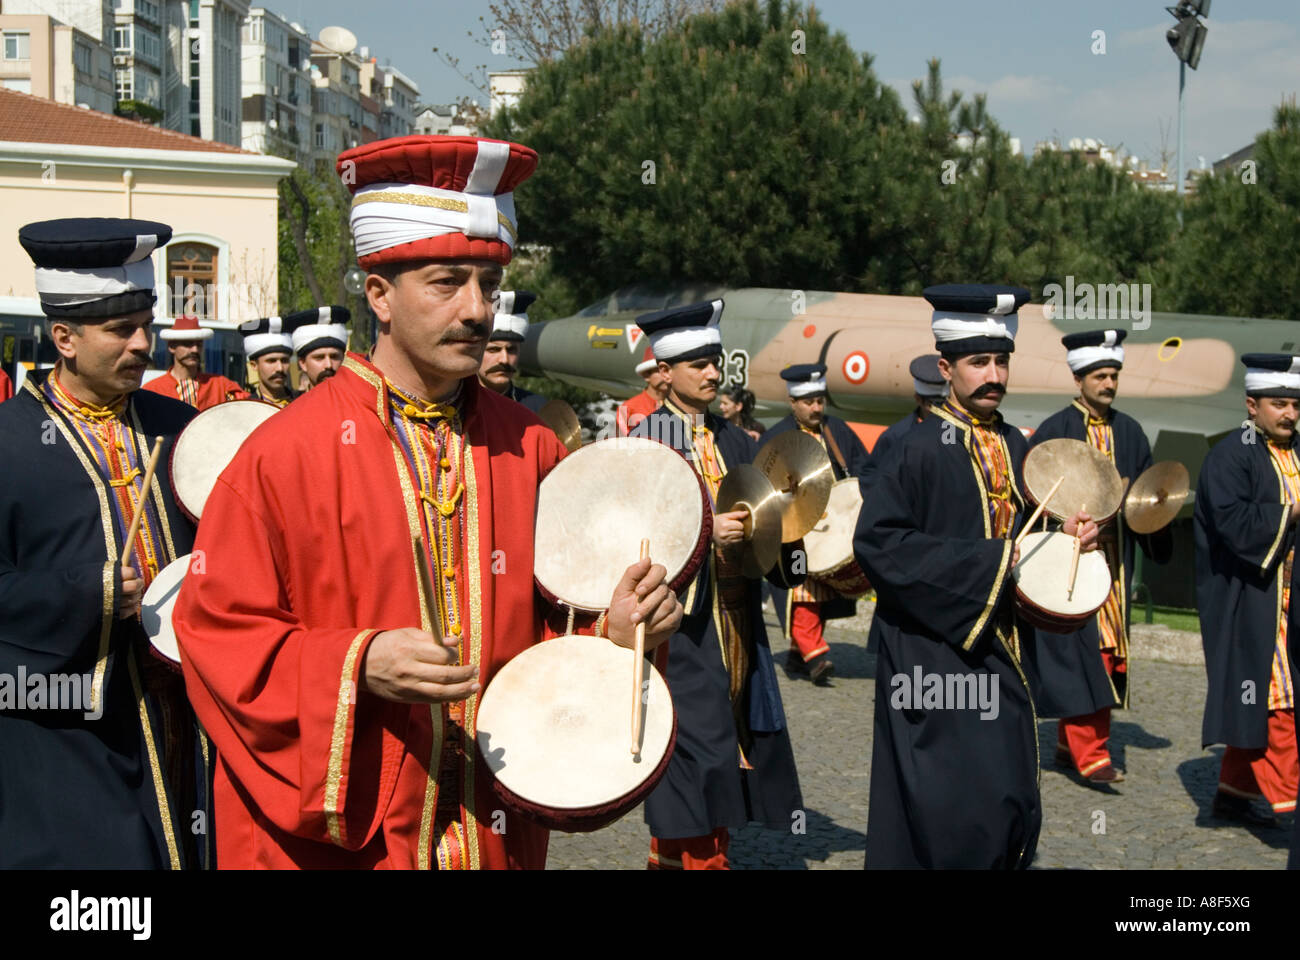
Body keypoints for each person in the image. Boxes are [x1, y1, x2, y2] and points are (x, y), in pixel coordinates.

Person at [173, 134, 681, 870]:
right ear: (379, 293)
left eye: (489, 287)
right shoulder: (282, 454)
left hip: (489, 829)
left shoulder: (531, 446)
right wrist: (356, 661)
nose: (478, 311)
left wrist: (614, 630)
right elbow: (214, 635)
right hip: (346, 844)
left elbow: (553, 635)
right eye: (447, 283)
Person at [852, 283, 1098, 869]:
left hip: (1004, 652)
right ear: (945, 367)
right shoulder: (908, 448)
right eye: (978, 361)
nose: (994, 373)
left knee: (1009, 799)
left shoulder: (1019, 445)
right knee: (948, 812)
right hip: (930, 659)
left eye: (1002, 360)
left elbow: (1035, 540)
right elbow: (880, 547)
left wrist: (1070, 541)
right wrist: (998, 560)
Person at [1, 217, 210, 868]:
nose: (143, 344)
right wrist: (80, 593)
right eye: (122, 330)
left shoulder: (182, 430)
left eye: (146, 325)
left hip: (189, 729)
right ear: (63, 337)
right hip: (65, 739)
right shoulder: (9, 444)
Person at [631, 299, 804, 870]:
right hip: (679, 616)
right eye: (699, 364)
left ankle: (680, 851)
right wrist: (708, 529)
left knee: (734, 731)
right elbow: (638, 526)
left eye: (715, 363)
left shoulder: (733, 437)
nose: (712, 373)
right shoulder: (648, 439)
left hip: (738, 611)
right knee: (696, 737)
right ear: (668, 372)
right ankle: (701, 858)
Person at [1025, 329, 1172, 785]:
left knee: (1108, 653)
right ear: (1078, 378)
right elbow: (1036, 495)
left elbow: (1146, 497)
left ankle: (1074, 743)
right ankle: (1093, 753)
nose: (1108, 384)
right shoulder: (1055, 431)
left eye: (1113, 375)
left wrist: (1148, 506)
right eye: (1100, 376)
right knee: (1081, 652)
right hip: (1071, 559)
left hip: (1114, 563)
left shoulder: (1129, 431)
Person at [1196, 352, 1300, 827]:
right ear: (1251, 405)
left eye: (1296, 405)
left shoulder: (1298, 448)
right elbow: (1234, 524)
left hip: (1290, 599)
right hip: (1251, 599)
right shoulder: (1230, 454)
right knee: (1277, 700)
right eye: (1279, 404)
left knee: (1257, 699)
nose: (1290, 414)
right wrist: (1292, 513)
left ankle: (1234, 794)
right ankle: (1291, 803)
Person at [767, 363, 873, 685]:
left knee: (823, 594)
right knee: (803, 594)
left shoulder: (838, 431)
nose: (816, 407)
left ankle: (799, 657)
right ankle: (815, 655)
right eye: (808, 401)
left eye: (819, 400)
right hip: (794, 534)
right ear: (792, 402)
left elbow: (865, 470)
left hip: (833, 534)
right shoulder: (777, 438)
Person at [865, 354, 948, 481]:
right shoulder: (897, 435)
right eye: (933, 404)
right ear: (918, 400)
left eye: (944, 403)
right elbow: (870, 476)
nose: (940, 410)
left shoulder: (951, 431)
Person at [142, 314, 248, 409]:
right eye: (188, 344)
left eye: (199, 344)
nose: (195, 350)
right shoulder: (152, 389)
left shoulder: (221, 386)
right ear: (172, 347)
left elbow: (247, 409)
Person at [478, 290, 547, 413]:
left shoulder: (538, 409)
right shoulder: (451, 407)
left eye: (511, 350)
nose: (504, 359)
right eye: (494, 350)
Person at [239, 315, 298, 407]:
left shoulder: (302, 403)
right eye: (271, 361)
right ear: (254, 365)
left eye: (284, 361)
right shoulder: (246, 409)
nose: (280, 368)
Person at [289, 306, 349, 389]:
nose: (328, 365)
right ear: (303, 363)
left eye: (334, 357)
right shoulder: (295, 402)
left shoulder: (359, 401)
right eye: (319, 358)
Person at [617, 346, 670, 436]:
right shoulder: (628, 408)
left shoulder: (682, 405)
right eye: (659, 370)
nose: (665, 375)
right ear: (646, 376)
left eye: (668, 370)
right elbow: (621, 444)